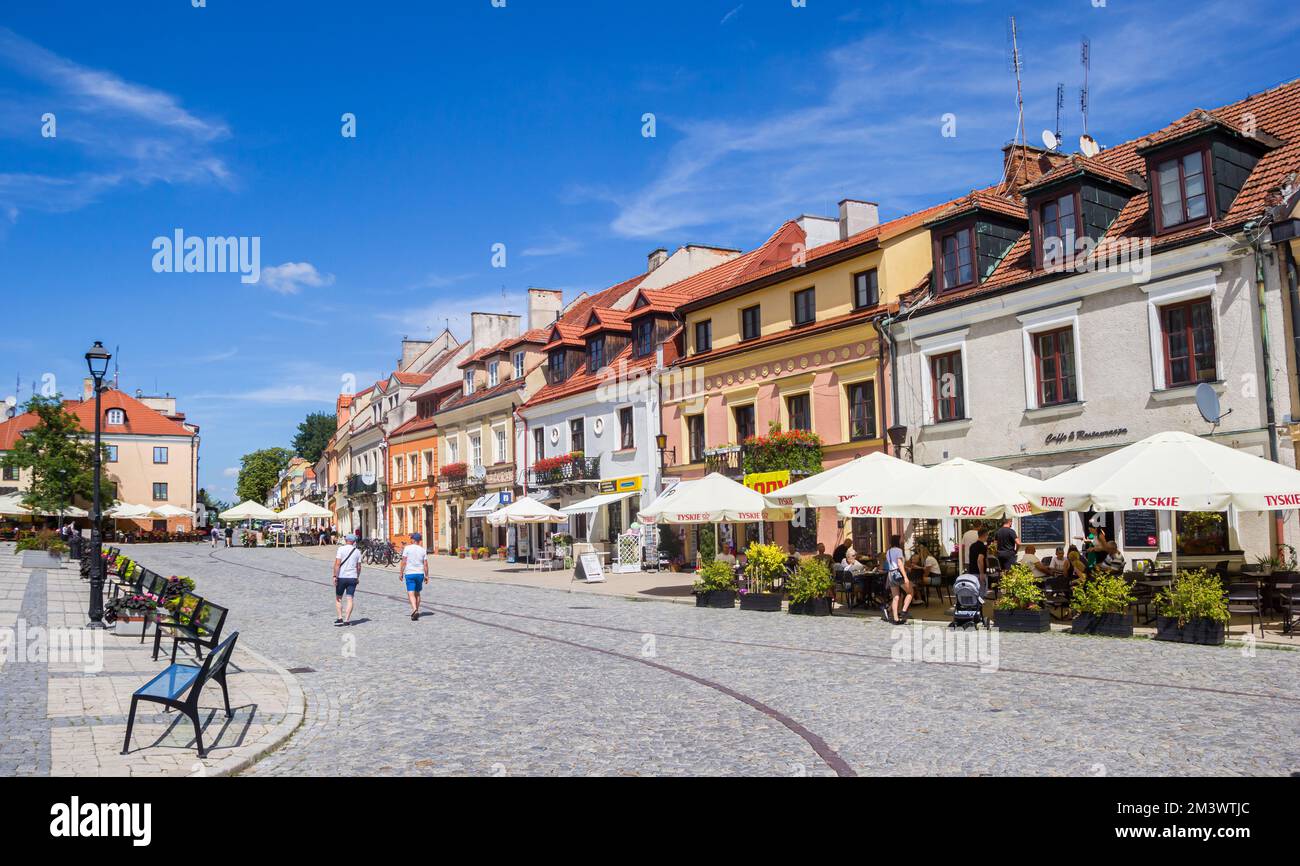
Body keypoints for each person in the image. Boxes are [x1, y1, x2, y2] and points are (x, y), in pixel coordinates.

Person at [332, 533, 362, 626]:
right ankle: (347, 620)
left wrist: (335, 576)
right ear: (354, 542)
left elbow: (337, 564)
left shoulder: (341, 549)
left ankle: (340, 617)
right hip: (352, 577)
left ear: (346, 540)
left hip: (341, 577)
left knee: (338, 598)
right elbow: (359, 566)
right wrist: (357, 576)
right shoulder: (357, 551)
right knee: (350, 599)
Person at [399, 531, 429, 621]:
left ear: (412, 540)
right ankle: (417, 610)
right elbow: (426, 564)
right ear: (419, 540)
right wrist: (426, 575)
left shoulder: (407, 548)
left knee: (410, 593)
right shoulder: (423, 550)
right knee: (417, 593)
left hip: (410, 573)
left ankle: (414, 609)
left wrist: (401, 572)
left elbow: (404, 561)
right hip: (420, 573)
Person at [883, 534, 912, 624]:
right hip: (898, 573)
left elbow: (892, 564)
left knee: (896, 597)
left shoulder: (888, 551)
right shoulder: (898, 550)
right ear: (898, 542)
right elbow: (899, 564)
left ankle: (895, 619)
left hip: (890, 574)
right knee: (910, 592)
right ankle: (903, 611)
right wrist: (905, 577)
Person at [966, 527, 990, 595]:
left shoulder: (972, 546)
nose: (987, 537)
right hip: (979, 572)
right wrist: (981, 574)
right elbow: (980, 560)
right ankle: (979, 604)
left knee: (974, 592)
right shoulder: (982, 547)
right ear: (984, 535)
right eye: (987, 535)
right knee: (981, 592)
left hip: (972, 571)